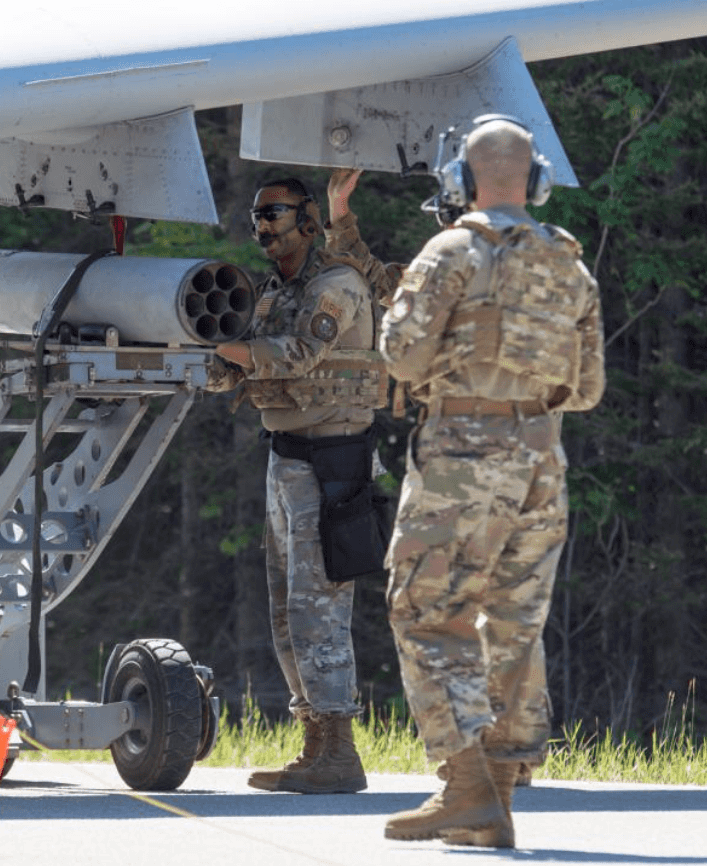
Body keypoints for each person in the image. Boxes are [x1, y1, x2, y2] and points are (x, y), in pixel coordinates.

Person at [379, 115, 604, 847]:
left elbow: (404, 358)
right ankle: (497, 802)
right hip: (543, 460)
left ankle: (467, 784)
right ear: (536, 180)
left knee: (425, 610)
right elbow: (589, 387)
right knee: (513, 623)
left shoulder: (452, 250)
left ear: (461, 180)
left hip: (462, 460)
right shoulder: (572, 265)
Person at [207, 174, 389, 794]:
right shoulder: (271, 291)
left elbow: (292, 356)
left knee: (320, 611)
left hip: (331, 461)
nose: (263, 225)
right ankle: (315, 743)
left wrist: (223, 347)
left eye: (276, 212)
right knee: (288, 613)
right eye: (258, 214)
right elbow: (236, 366)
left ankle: (339, 749)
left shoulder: (336, 284)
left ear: (309, 219)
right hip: (288, 457)